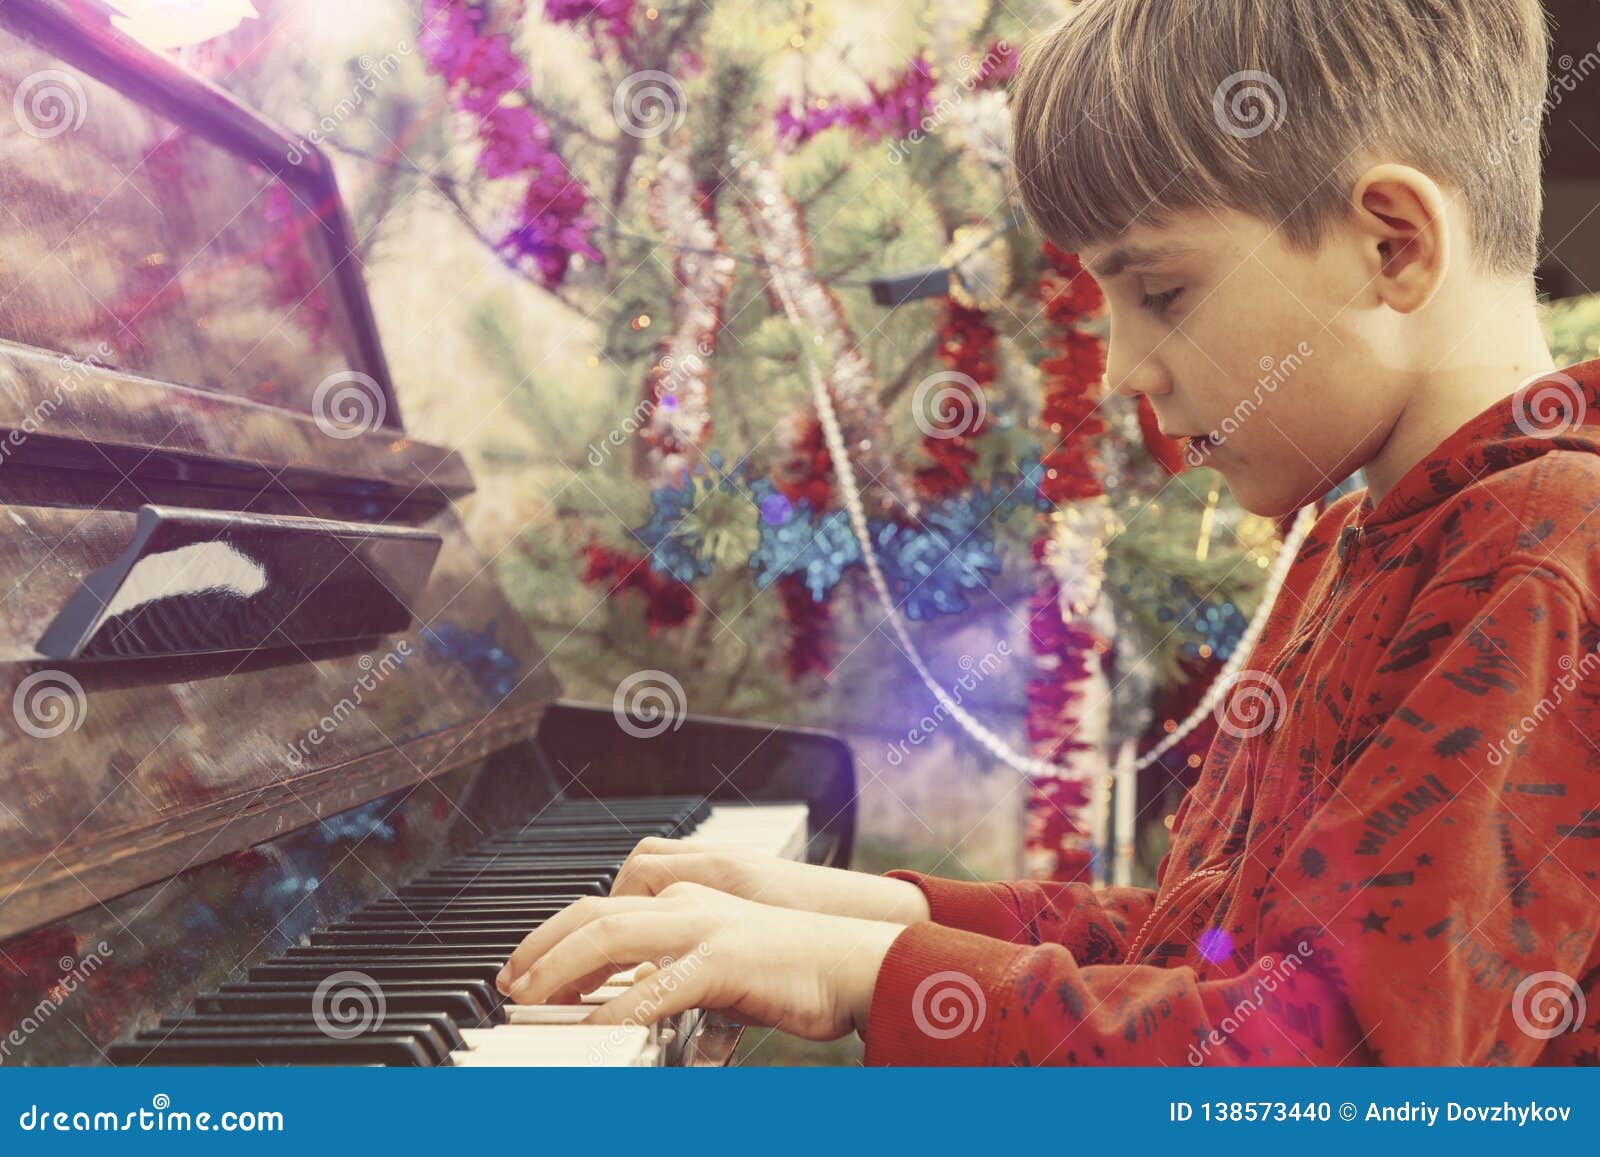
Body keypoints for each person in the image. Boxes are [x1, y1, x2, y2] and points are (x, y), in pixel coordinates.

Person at [496, 0, 1600, 1064]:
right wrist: (876, 909)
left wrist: (873, 974)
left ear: (1391, 245)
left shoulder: (1545, 549)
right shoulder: (1353, 542)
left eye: (1161, 290)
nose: (1123, 369)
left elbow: (1336, 1071)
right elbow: (1211, 945)